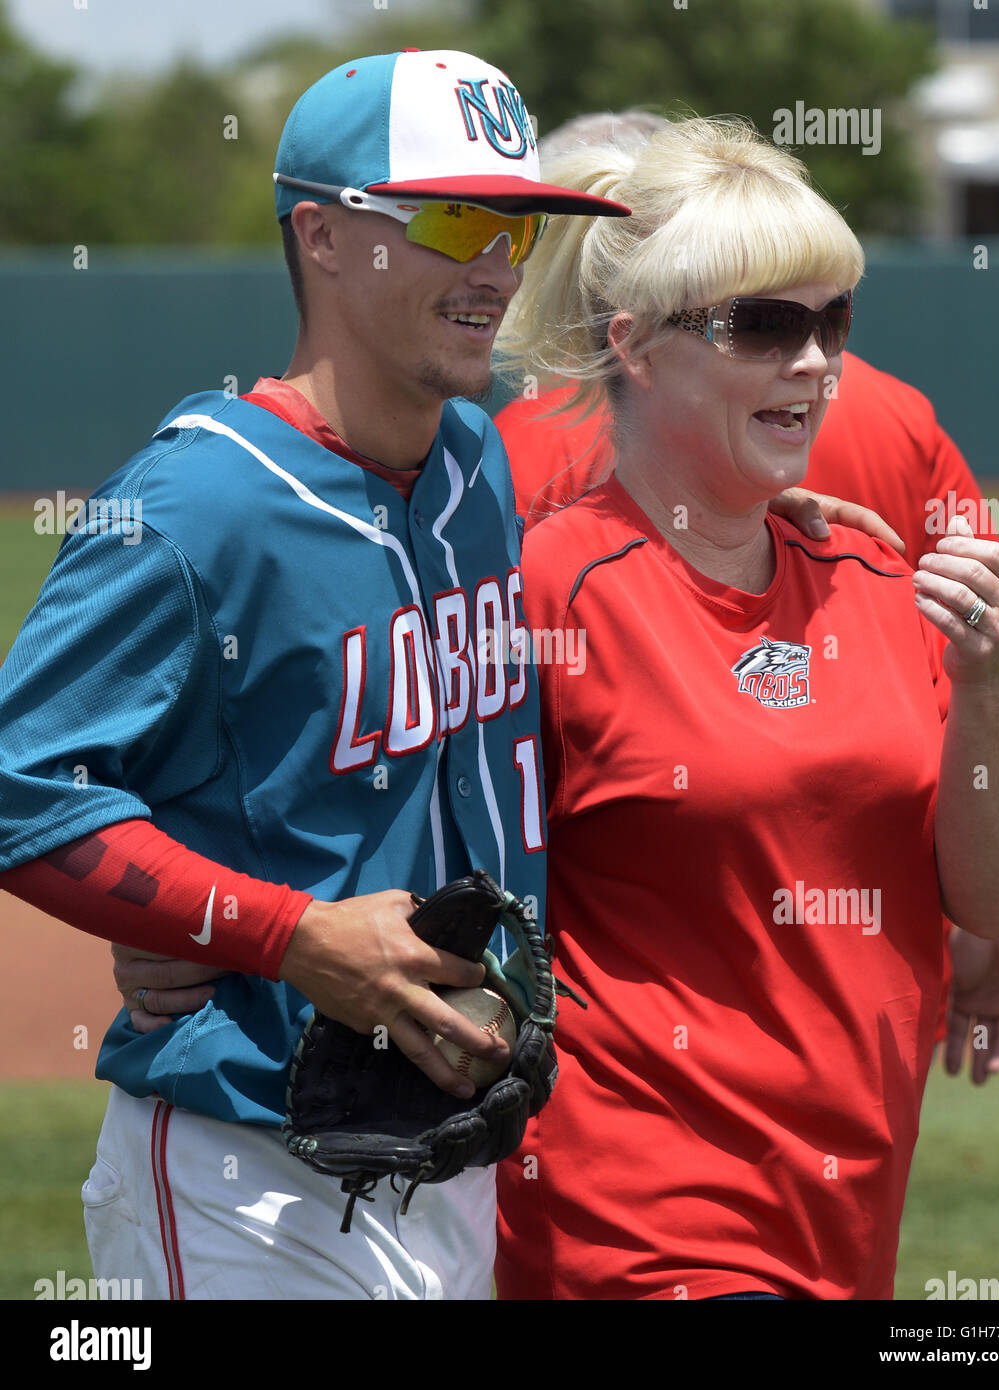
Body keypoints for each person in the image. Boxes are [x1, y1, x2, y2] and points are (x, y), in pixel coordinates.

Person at [0, 48, 634, 1301]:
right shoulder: (198, 502)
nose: (495, 268)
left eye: (514, 225)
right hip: (250, 1165)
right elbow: (26, 786)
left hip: (447, 1148)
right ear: (323, 236)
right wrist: (278, 933)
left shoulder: (472, 463)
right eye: (453, 219)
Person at [490, 116, 999, 1300]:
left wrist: (989, 680)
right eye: (763, 325)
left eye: (830, 320)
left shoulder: (876, 582)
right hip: (633, 1216)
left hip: (840, 1215)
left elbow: (990, 897)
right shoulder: (544, 587)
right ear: (633, 346)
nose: (813, 364)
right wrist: (193, 933)